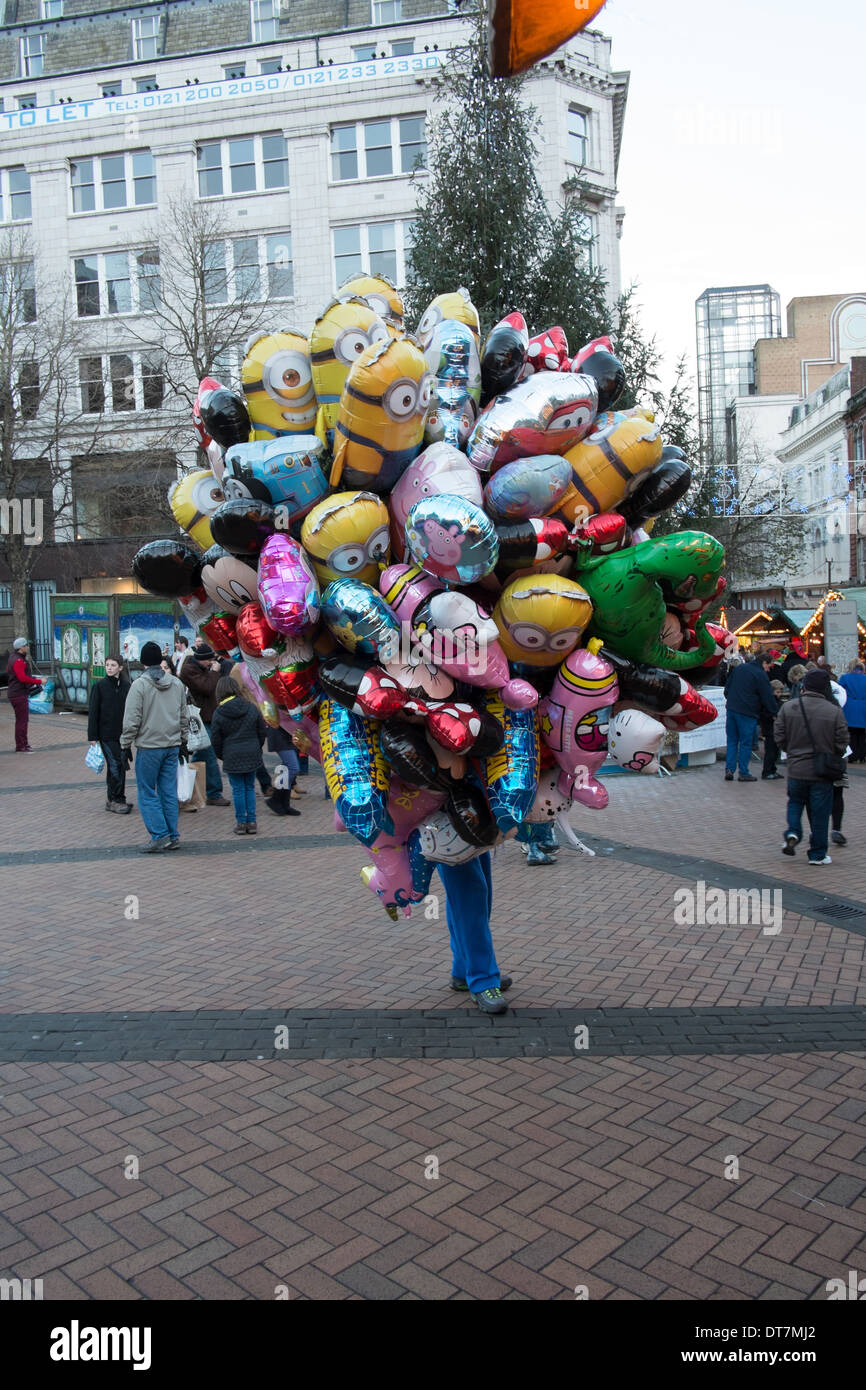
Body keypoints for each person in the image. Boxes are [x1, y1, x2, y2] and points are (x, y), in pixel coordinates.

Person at [120, 641, 190, 852]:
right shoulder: (176, 684)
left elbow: (132, 719)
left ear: (142, 662)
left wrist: (125, 745)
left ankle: (160, 835)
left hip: (149, 746)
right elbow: (183, 716)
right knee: (168, 791)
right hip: (171, 744)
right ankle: (172, 834)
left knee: (147, 791)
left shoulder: (139, 685)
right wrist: (183, 740)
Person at [774, 668, 849, 865]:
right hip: (822, 770)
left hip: (797, 767)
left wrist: (792, 751)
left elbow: (779, 737)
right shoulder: (833, 711)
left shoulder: (789, 707)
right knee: (820, 812)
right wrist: (833, 754)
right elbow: (842, 741)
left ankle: (793, 832)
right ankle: (817, 854)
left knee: (795, 802)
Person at [438, 853, 512, 1015]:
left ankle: (464, 970)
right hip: (446, 831)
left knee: (471, 892)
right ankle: (482, 979)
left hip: (465, 829)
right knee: (469, 893)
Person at [209, 676, 267, 834]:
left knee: (238, 790)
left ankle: (241, 823)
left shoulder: (219, 712)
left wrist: (223, 755)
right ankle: (252, 821)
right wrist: (257, 747)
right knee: (249, 787)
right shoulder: (250, 707)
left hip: (232, 753)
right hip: (251, 752)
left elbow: (216, 739)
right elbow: (262, 730)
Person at [178, 643, 230, 806]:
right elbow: (207, 687)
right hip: (198, 718)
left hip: (209, 716)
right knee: (209, 752)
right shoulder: (189, 670)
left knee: (202, 753)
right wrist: (214, 673)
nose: (211, 663)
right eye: (208, 660)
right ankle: (213, 792)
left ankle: (189, 785)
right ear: (201, 660)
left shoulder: (203, 669)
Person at [723, 652, 778, 782]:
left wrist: (731, 700)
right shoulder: (760, 674)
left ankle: (729, 770)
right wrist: (775, 712)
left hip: (732, 709)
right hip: (747, 712)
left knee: (732, 741)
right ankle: (743, 772)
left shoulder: (740, 668)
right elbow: (767, 696)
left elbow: (727, 688)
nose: (769, 670)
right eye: (769, 666)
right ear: (764, 663)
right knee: (745, 743)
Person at [87, 655, 132, 812]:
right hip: (106, 734)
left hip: (122, 734)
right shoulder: (100, 686)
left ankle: (116, 797)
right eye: (107, 665)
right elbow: (93, 712)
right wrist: (92, 736)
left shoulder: (127, 686)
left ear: (120, 667)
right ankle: (115, 799)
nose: (109, 668)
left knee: (120, 764)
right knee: (116, 764)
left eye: (113, 665)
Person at [5, 638, 45, 752]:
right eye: (26, 645)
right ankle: (22, 745)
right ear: (21, 647)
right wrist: (39, 681)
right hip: (18, 693)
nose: (28, 647)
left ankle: (21, 744)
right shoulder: (18, 660)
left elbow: (8, 670)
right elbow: (22, 677)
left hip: (15, 692)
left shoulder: (12, 657)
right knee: (22, 720)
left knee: (20, 720)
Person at [264, 722, 302, 817]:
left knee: (287, 768)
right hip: (279, 735)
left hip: (288, 734)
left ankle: (285, 804)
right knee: (293, 768)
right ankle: (275, 799)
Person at [838, 659, 866, 763]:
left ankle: (853, 756)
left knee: (851, 733)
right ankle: (862, 755)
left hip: (850, 707)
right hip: (864, 706)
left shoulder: (845, 677)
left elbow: (840, 691)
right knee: (862, 733)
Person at [760, 680, 785, 779]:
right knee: (770, 752)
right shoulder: (769, 702)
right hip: (770, 730)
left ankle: (772, 770)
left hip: (773, 729)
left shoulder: (775, 702)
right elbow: (764, 715)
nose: (779, 694)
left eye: (780, 692)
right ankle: (767, 771)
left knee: (774, 752)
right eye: (777, 692)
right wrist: (772, 717)